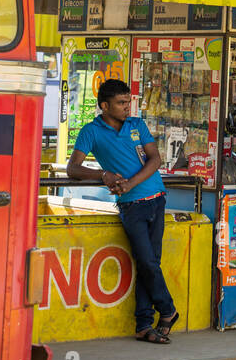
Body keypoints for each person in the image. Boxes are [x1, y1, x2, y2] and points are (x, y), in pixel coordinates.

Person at [66, 79, 177, 344]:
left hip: (156, 199)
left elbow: (156, 159)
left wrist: (130, 183)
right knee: (148, 262)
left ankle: (143, 325)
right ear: (104, 106)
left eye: (128, 101)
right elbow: (73, 168)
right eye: (121, 103)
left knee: (149, 264)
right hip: (131, 207)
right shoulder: (90, 131)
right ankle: (168, 310)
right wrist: (102, 174)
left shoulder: (137, 125)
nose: (128, 107)